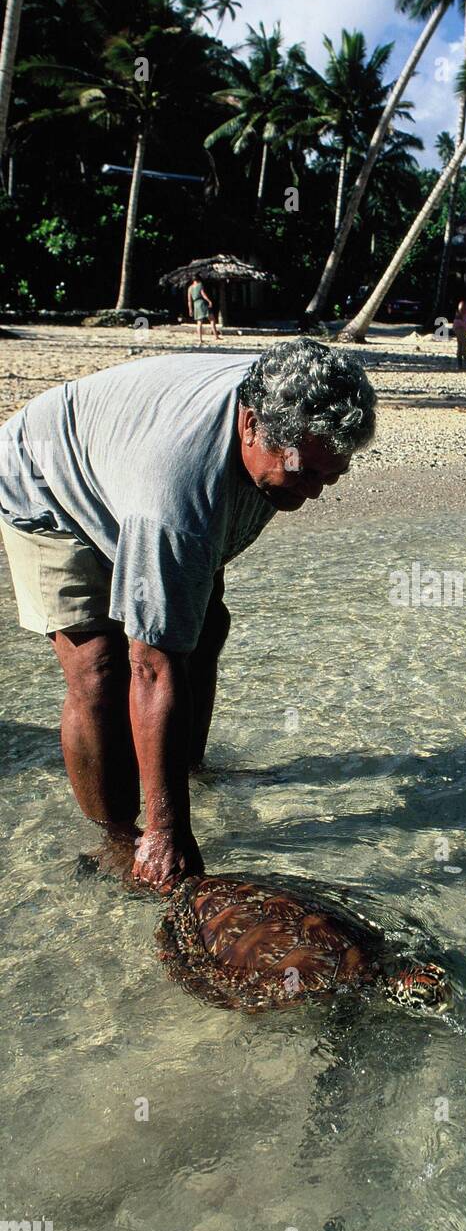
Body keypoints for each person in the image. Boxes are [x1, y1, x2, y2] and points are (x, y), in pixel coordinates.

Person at [0, 339, 375, 893]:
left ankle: (188, 770)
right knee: (101, 670)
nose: (315, 493)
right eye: (302, 474)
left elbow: (178, 631)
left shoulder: (281, 398)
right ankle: (121, 835)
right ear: (249, 424)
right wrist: (168, 830)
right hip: (48, 480)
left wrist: (296, 475)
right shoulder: (177, 497)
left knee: (204, 629)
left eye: (330, 476)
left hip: (137, 465)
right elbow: (151, 664)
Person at [187, 276, 220, 346]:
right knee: (212, 319)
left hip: (195, 304)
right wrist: (209, 301)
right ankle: (216, 336)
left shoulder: (190, 288)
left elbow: (189, 301)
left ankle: (200, 339)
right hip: (201, 303)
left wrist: (190, 309)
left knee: (199, 322)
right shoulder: (200, 285)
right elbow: (203, 294)